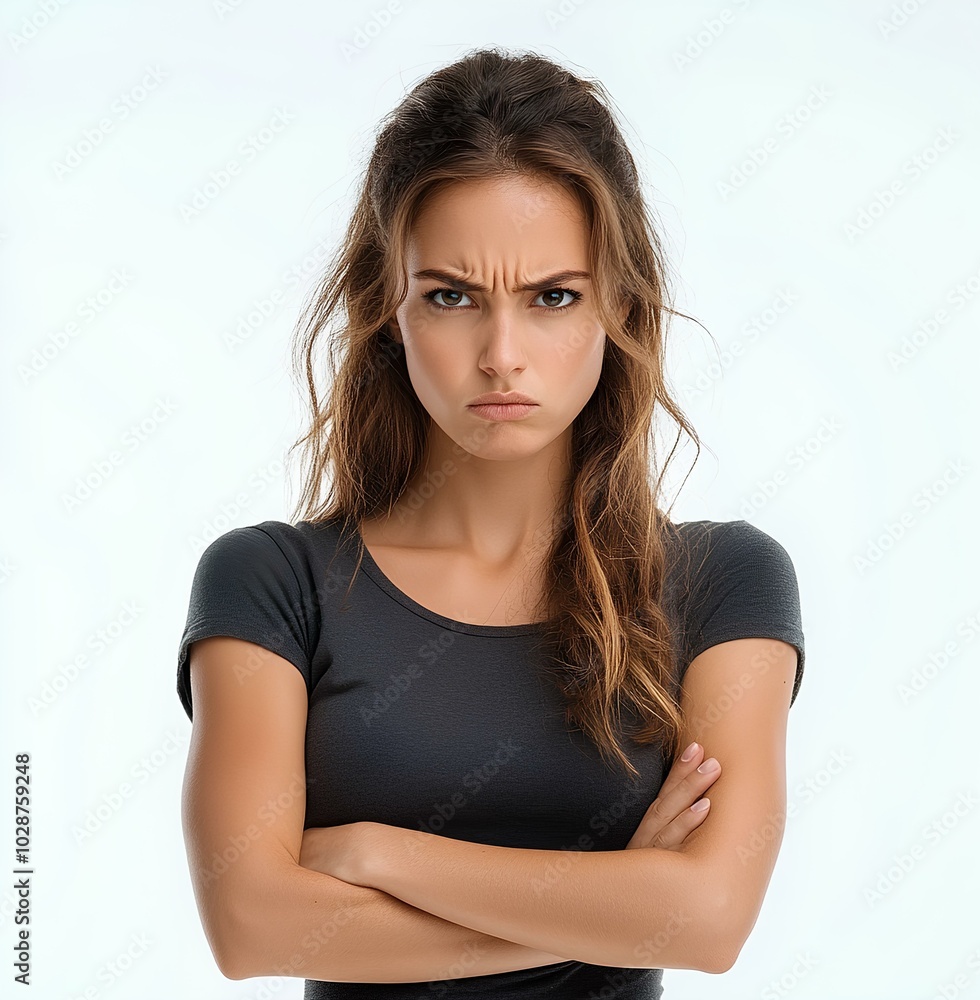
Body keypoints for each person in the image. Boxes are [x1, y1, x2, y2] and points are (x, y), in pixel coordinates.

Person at [176, 46, 806, 999]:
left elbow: (710, 922)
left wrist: (380, 853)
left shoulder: (722, 582)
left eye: (554, 296)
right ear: (386, 311)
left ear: (618, 307)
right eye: (451, 297)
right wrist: (617, 907)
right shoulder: (271, 582)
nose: (501, 355)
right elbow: (252, 927)